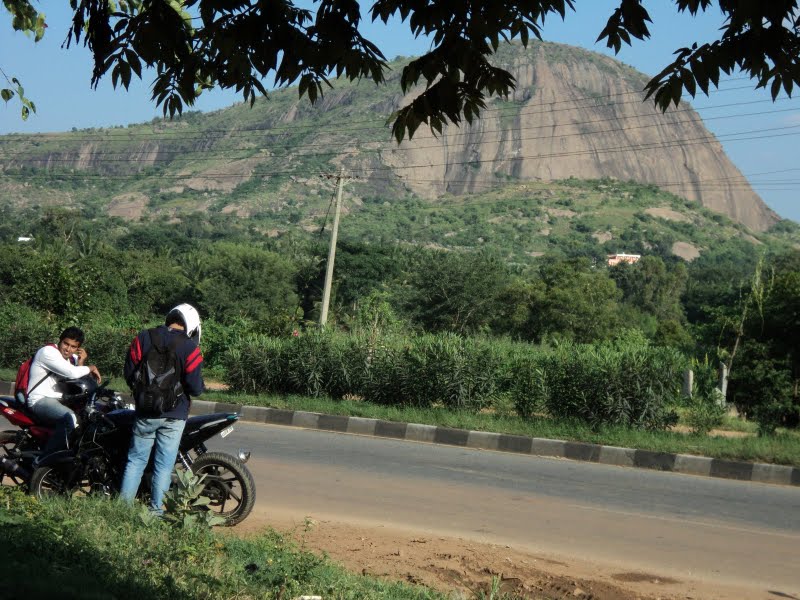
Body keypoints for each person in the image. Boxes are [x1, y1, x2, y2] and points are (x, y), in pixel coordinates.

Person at [119, 304, 204, 512]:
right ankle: (155, 514)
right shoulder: (190, 348)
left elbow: (129, 372)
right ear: (191, 325)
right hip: (174, 416)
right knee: (164, 467)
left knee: (135, 461)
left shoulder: (143, 337)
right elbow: (195, 388)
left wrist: (143, 394)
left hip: (145, 411)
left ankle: (122, 511)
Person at [28, 326, 102, 456]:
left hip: (59, 401)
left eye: (73, 347)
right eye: (66, 344)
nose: (68, 349)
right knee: (70, 418)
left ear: (78, 348)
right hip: (39, 400)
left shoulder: (70, 359)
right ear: (60, 341)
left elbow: (77, 378)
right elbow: (71, 373)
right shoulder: (48, 352)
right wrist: (91, 367)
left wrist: (81, 362)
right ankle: (44, 463)